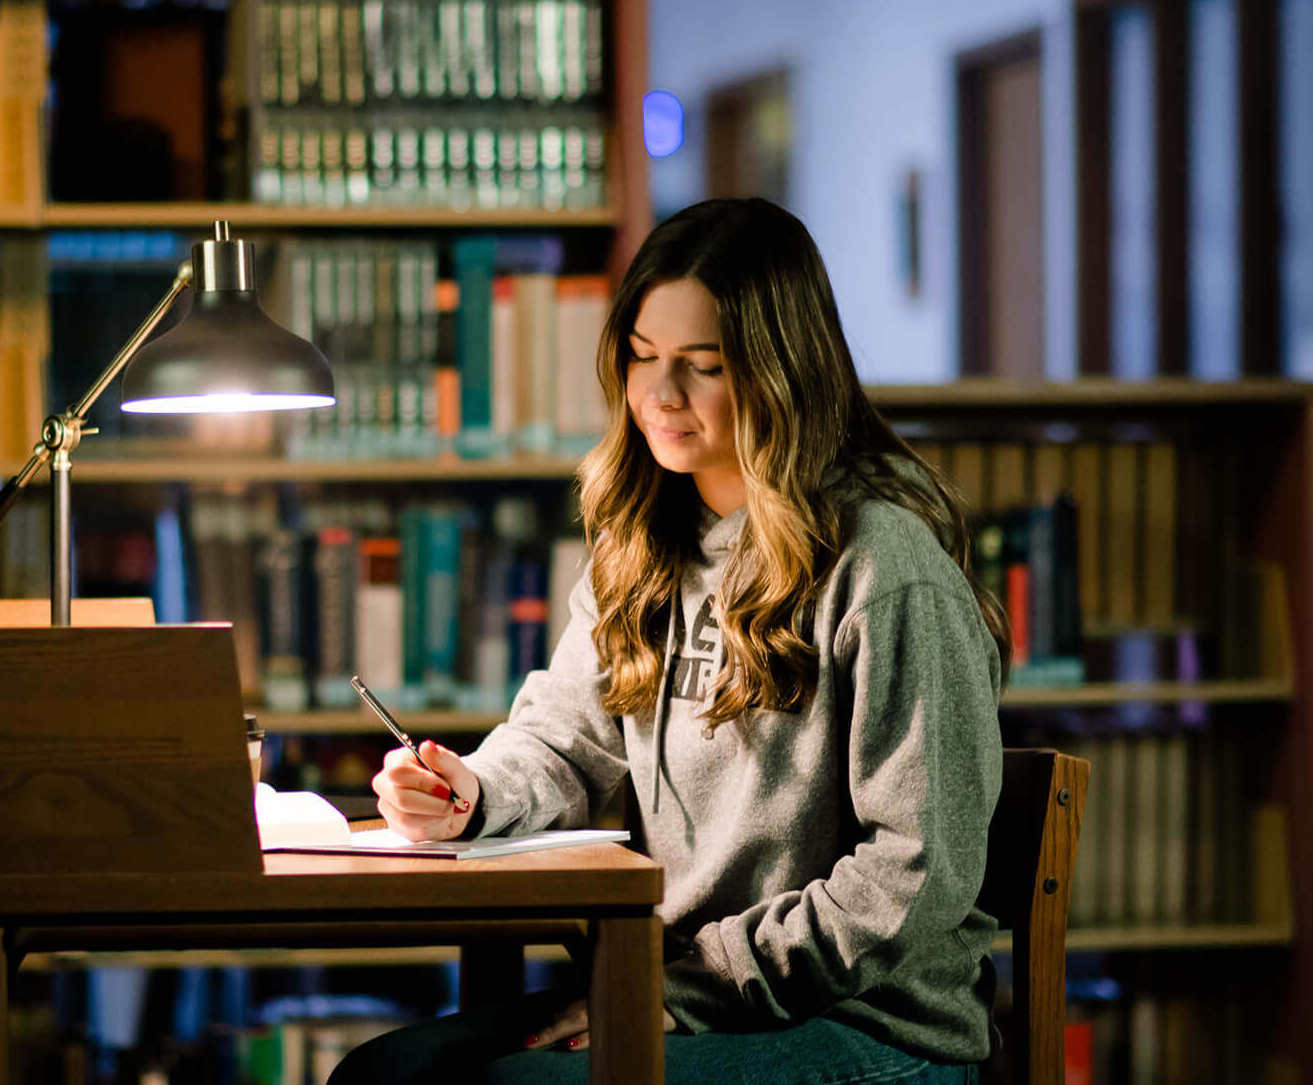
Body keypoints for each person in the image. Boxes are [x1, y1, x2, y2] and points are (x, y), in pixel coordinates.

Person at [330, 198, 1009, 1085]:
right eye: (643, 358)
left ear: (783, 374)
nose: (659, 395)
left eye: (702, 366)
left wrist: (694, 990)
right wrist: (472, 792)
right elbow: (563, 740)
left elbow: (914, 873)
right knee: (381, 1076)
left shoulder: (884, 566)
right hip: (682, 992)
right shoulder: (648, 542)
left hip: (866, 1025)